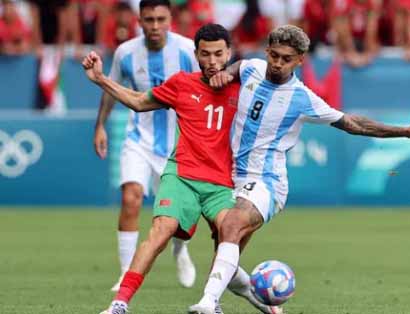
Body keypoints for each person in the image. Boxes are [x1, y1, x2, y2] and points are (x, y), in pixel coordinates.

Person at [187, 24, 410, 314]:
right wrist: (226, 73)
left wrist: (406, 132)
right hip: (229, 177)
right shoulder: (252, 68)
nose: (277, 64)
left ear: (300, 61)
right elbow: (238, 67)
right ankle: (266, 304)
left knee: (231, 227)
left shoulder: (302, 97)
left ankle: (209, 303)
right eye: (274, 55)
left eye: (286, 59)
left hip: (267, 182)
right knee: (226, 257)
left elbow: (354, 124)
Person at [84, 23, 284, 314]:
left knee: (229, 242)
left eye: (219, 54)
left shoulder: (246, 89)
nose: (213, 62)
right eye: (205, 54)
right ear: (196, 55)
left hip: (223, 183)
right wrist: (101, 78)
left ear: (230, 53)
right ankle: (119, 304)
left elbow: (279, 94)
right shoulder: (182, 83)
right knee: (160, 231)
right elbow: (139, 102)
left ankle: (223, 301)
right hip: (182, 176)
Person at [92, 0, 197, 292]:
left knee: (177, 216)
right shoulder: (126, 53)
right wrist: (100, 125)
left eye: (160, 19)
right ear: (139, 20)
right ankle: (126, 273)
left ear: (170, 19)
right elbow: (111, 90)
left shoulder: (188, 51)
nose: (154, 26)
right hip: (139, 139)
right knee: (131, 197)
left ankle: (180, 250)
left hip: (180, 144)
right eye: (148, 20)